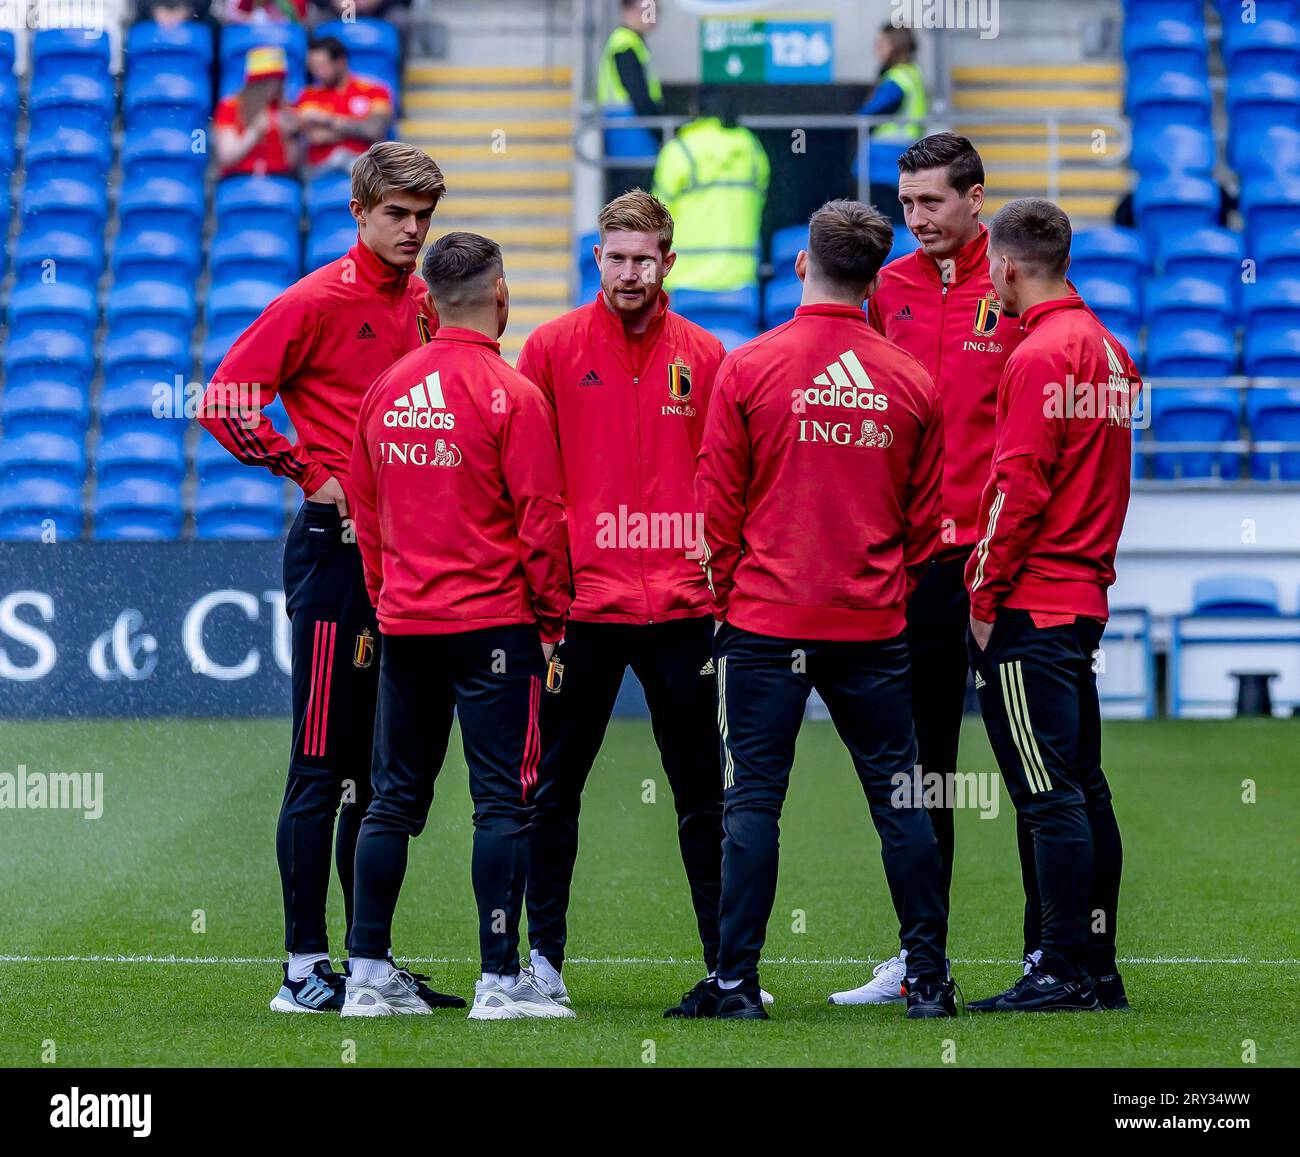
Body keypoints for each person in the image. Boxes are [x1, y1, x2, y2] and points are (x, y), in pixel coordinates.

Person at [670, 198, 955, 1020]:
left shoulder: (750, 366)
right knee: (902, 799)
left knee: (751, 801)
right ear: (875, 281)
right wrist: (882, 591)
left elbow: (715, 508)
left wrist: (732, 593)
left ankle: (735, 985)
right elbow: (927, 522)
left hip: (765, 620)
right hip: (871, 624)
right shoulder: (911, 379)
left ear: (802, 263)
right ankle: (928, 983)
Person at [198, 142, 458, 1013]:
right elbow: (226, 396)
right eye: (397, 213)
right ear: (360, 211)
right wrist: (307, 471)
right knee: (320, 764)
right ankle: (301, 967)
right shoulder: (314, 300)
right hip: (338, 555)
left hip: (411, 557)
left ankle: (369, 964)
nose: (413, 230)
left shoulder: (428, 302)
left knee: (381, 774)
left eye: (423, 215)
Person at [343, 232, 575, 1020]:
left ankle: (366, 972)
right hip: (496, 631)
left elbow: (364, 513)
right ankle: (499, 981)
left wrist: (386, 595)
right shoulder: (514, 394)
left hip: (407, 622)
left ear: (429, 302)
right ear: (500, 294)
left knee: (389, 801)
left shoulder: (386, 389)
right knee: (502, 805)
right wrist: (552, 619)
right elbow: (541, 520)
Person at [515, 190, 737, 1007]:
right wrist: (546, 595)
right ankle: (542, 961)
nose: (631, 271)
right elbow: (529, 480)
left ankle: (727, 965)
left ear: (669, 262)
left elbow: (727, 478)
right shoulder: (549, 349)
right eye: (617, 256)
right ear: (595, 257)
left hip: (684, 608)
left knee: (703, 797)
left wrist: (721, 579)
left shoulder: (708, 356)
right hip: (582, 611)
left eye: (646, 257)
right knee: (551, 791)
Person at [829, 132, 1026, 1006]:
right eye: (905, 204)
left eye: (931, 203)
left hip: (1003, 565)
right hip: (916, 567)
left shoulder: (1018, 285)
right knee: (925, 769)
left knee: (1034, 771)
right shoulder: (887, 289)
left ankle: (1050, 957)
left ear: (976, 199)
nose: (915, 220)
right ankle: (922, 958)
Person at [964, 199, 1137, 1013]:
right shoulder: (1107, 348)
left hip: (1033, 600)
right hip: (1085, 596)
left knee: (1046, 792)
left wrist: (984, 593)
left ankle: (1060, 966)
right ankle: (1096, 966)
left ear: (1002, 265)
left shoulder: (1039, 355)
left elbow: (1017, 487)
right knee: (1082, 786)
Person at [652, 87, 769, 293]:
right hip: (741, 278)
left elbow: (655, 218)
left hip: (683, 279)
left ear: (694, 111)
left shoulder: (679, 150)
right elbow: (760, 200)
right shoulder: (751, 148)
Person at [858, 23, 928, 224]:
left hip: (886, 156)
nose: (877, 49)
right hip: (904, 151)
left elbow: (869, 111)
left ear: (895, 45)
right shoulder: (913, 73)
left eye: (881, 43)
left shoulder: (897, 78)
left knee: (885, 217)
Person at [296, 36, 394, 176]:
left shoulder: (375, 91)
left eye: (322, 66)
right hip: (319, 171)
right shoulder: (308, 96)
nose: (317, 73)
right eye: (313, 68)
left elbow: (374, 130)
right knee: (340, 157)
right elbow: (314, 136)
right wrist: (355, 130)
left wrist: (327, 120)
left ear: (341, 62)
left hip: (364, 169)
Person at [598, 0, 665, 202]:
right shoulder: (625, 44)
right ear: (627, 10)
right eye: (648, 11)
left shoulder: (630, 43)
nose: (653, 17)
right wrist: (660, 134)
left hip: (628, 137)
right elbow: (640, 98)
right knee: (633, 206)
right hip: (632, 138)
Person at [213, 46, 298, 179]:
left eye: (278, 80)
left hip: (279, 179)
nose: (275, 86)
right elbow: (227, 157)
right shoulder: (230, 106)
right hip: (238, 179)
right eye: (267, 81)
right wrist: (254, 131)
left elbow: (294, 164)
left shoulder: (287, 110)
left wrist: (290, 137)